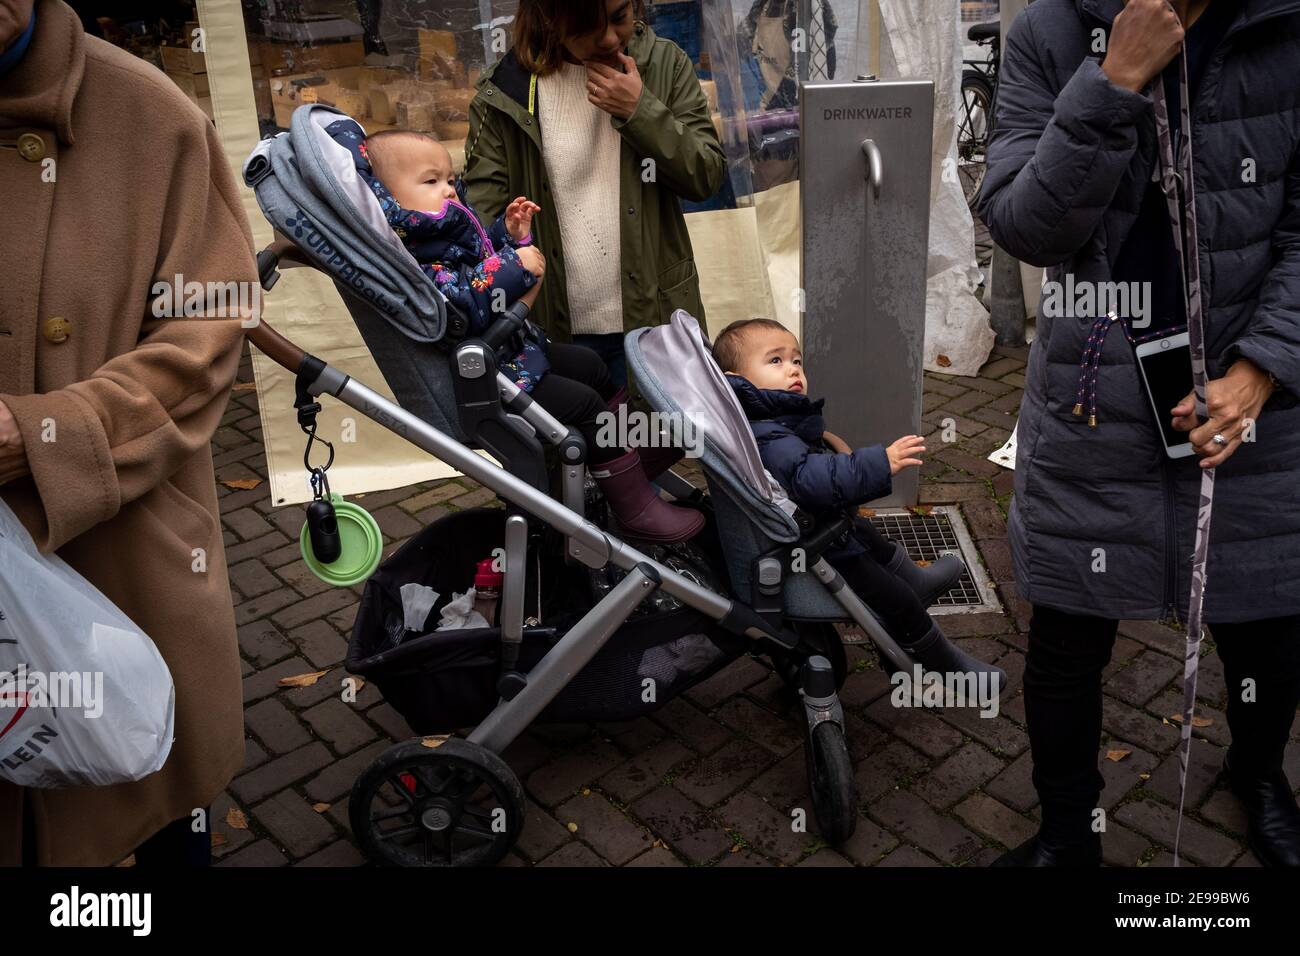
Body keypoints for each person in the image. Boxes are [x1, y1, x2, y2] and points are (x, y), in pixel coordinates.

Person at [978, 0, 1300, 866]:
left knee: (1267, 624)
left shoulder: (1285, 30)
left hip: (1251, 403)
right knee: (1067, 634)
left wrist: (1265, 368)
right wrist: (1112, 80)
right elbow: (1025, 225)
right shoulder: (1049, 32)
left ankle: (1259, 775)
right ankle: (1066, 828)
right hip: (1094, 398)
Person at [0, 0, 249, 864]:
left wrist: (46, 435)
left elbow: (209, 332)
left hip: (123, 568)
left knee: (147, 816)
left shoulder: (150, 114)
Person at [348, 124, 703, 544]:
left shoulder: (441, 232)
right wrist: (515, 265)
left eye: (450, 179)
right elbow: (461, 303)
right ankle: (635, 509)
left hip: (514, 354)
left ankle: (629, 456)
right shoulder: (413, 253)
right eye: (431, 181)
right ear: (387, 197)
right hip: (491, 376)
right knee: (585, 404)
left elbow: (479, 263)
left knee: (589, 364)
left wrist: (509, 235)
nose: (449, 190)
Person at [713, 319, 1006, 683]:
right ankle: (938, 663)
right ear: (737, 379)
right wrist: (880, 463)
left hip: (824, 528)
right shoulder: (768, 434)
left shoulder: (769, 417)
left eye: (797, 360)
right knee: (896, 600)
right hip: (819, 549)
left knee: (868, 535)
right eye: (775, 360)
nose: (793, 369)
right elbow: (811, 479)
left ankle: (917, 582)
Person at [463, 0, 725, 390]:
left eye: (620, 17)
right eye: (587, 27)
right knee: (575, 431)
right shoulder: (505, 92)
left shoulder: (663, 63)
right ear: (550, 18)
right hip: (552, 333)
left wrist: (640, 111)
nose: (609, 38)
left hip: (654, 321)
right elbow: (477, 228)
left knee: (660, 430)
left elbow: (706, 176)